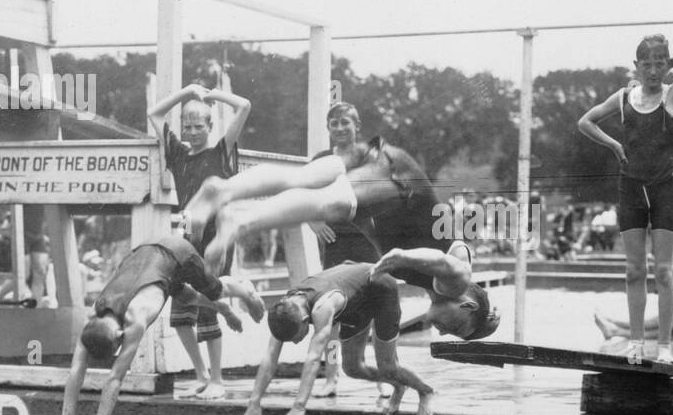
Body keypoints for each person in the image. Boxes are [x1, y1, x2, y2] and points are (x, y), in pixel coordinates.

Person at [182, 138, 498, 341]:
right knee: (330, 203)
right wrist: (403, 257)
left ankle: (222, 189)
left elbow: (376, 230)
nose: (443, 332)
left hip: (381, 157)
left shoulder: (431, 281)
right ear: (468, 305)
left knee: (303, 180)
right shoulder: (455, 282)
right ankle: (240, 220)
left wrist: (359, 220)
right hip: (400, 183)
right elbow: (442, 261)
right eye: (455, 327)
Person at [50, 235, 264, 415]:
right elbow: (75, 373)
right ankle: (221, 308)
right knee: (185, 296)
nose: (120, 349)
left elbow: (114, 379)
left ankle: (244, 290)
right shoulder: (92, 320)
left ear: (120, 336)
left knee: (216, 289)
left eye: (118, 346)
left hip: (178, 253)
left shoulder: (136, 320)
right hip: (146, 254)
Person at [577, 35, 673, 364]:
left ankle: (664, 346)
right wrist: (614, 145)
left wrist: (670, 63)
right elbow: (585, 122)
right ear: (636, 67)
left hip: (664, 188)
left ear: (666, 65)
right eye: (646, 64)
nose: (653, 71)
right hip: (631, 189)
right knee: (634, 270)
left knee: (664, 271)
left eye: (659, 63)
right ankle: (635, 342)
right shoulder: (624, 98)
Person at [237, 261, 434, 415]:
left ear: (306, 321)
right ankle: (399, 386)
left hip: (381, 290)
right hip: (356, 302)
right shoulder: (285, 309)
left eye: (296, 337)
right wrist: (254, 402)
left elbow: (313, 359)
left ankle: (425, 391)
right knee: (353, 368)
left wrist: (298, 406)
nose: (296, 342)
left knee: (388, 366)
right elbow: (270, 358)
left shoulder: (322, 308)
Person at [148, 81, 251, 399]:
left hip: (216, 237)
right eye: (187, 126)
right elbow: (154, 113)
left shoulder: (221, 152)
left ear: (210, 126)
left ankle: (218, 380)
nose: (192, 132)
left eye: (198, 126)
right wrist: (186, 92)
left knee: (208, 308)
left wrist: (211, 96)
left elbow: (244, 106)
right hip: (187, 236)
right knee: (180, 311)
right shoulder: (178, 154)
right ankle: (202, 374)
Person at [308, 101, 381, 397]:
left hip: (367, 242)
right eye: (334, 123)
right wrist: (313, 222)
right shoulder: (322, 159)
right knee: (331, 313)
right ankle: (331, 378)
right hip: (335, 242)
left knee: (375, 307)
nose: (339, 128)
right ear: (328, 128)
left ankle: (382, 376)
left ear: (357, 126)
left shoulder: (369, 157)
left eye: (345, 123)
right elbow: (302, 191)